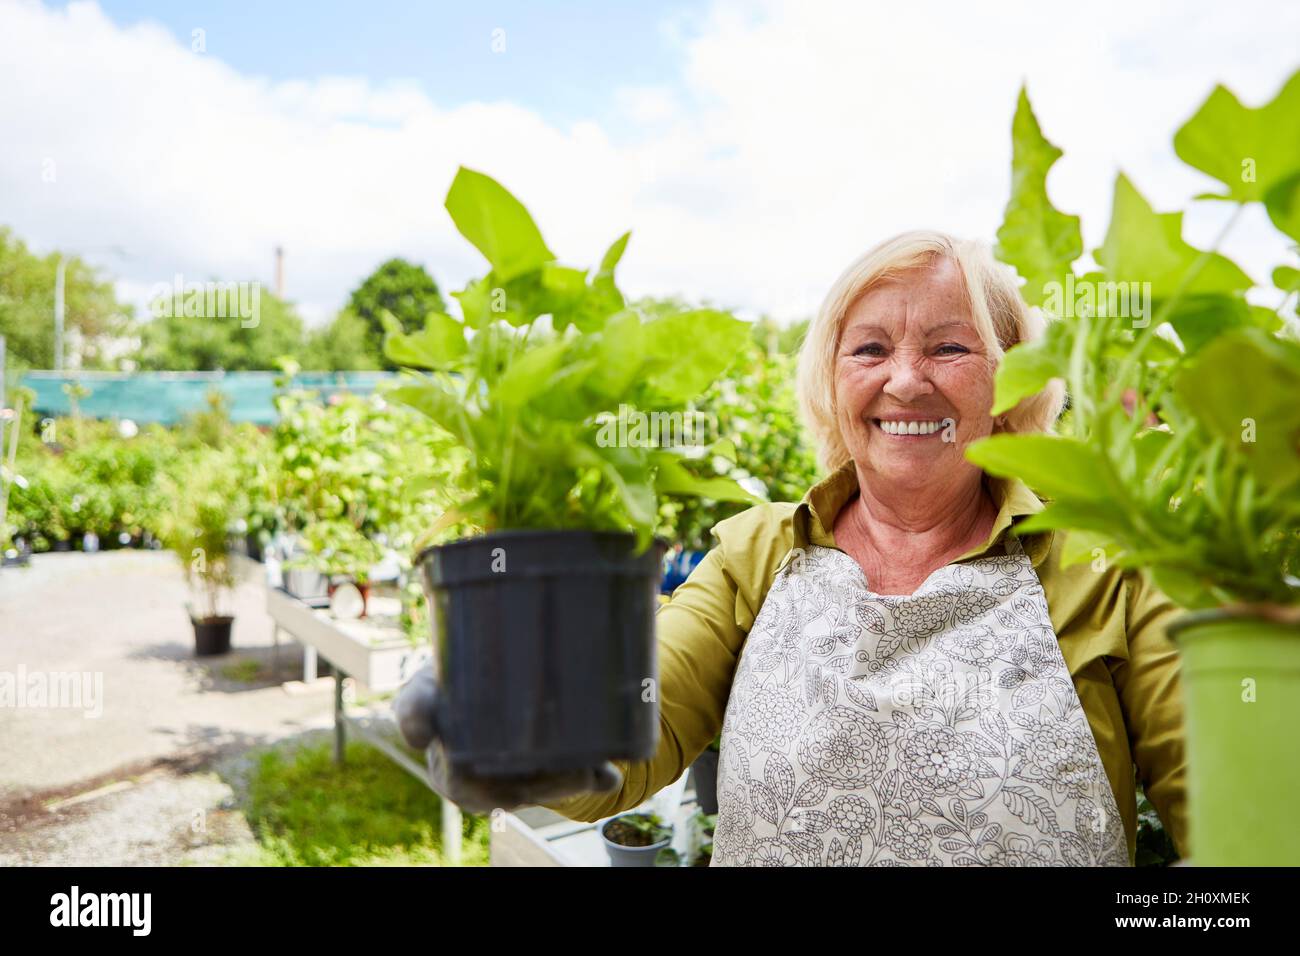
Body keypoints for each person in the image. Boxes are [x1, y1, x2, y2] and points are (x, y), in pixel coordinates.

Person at [399, 231, 1188, 866]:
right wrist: (534, 733)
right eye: (870, 350)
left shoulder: (1106, 567)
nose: (906, 382)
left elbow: (1234, 824)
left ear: (1015, 383)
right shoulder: (760, 552)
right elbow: (639, 725)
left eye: (949, 349)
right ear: (831, 381)